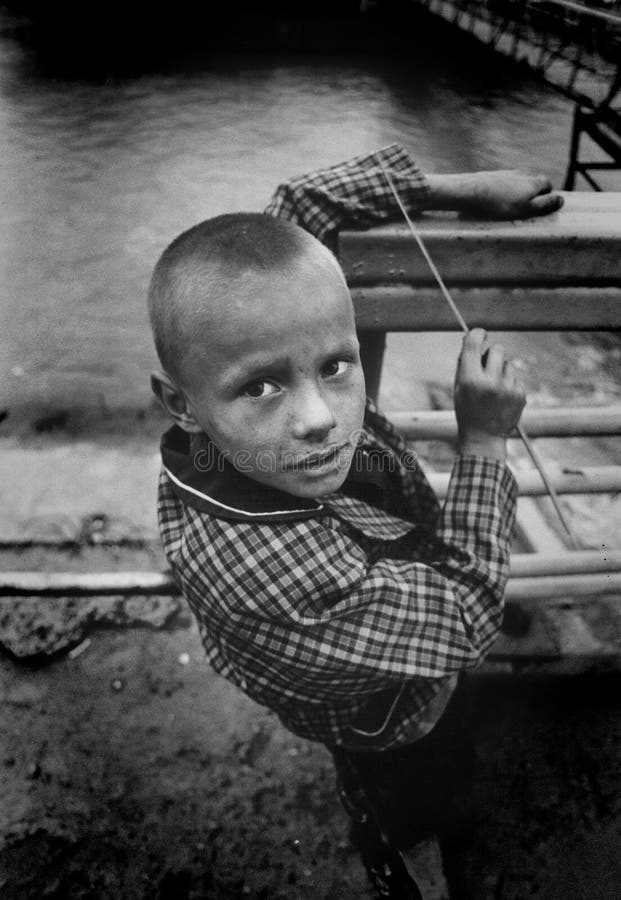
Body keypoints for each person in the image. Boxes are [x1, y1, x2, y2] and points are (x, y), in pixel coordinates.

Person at [148, 145, 560, 898]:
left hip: (373, 618)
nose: (316, 420)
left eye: (336, 365)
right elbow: (466, 614)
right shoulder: (274, 575)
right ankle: (401, 855)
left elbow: (304, 203)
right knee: (411, 784)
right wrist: (482, 442)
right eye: (261, 386)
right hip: (386, 711)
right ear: (179, 403)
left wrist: (464, 189)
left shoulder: (240, 416)